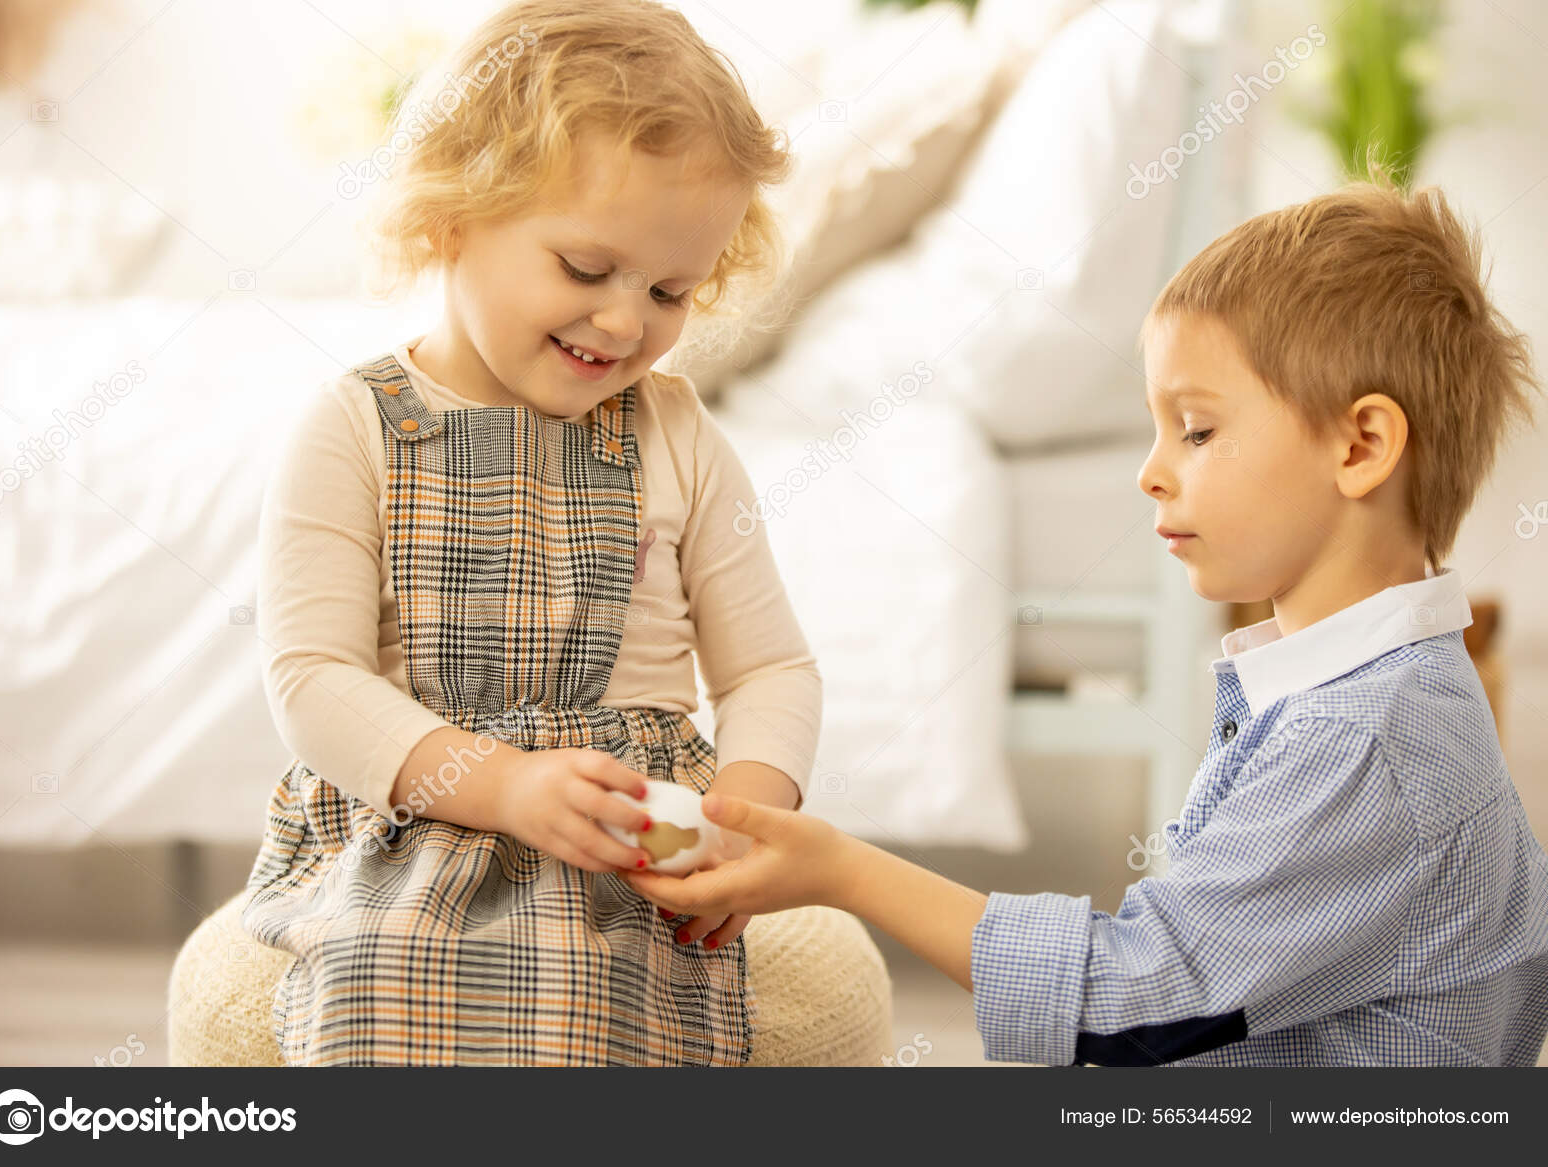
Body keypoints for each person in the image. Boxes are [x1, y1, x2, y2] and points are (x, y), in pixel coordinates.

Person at [625, 180, 1548, 1067]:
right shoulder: (1370, 697)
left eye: (1195, 429)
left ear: (1359, 447)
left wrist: (845, 869)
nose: (1151, 471)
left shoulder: (1363, 737)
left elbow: (1133, 1000)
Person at [241, 0, 815, 1065]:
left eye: (670, 289)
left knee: (613, 995)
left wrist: (743, 813)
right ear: (448, 216)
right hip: (426, 816)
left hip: (630, 829)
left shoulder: (678, 435)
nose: (625, 321)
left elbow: (771, 667)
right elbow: (312, 681)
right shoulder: (352, 425)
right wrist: (500, 786)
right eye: (586, 270)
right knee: (384, 972)